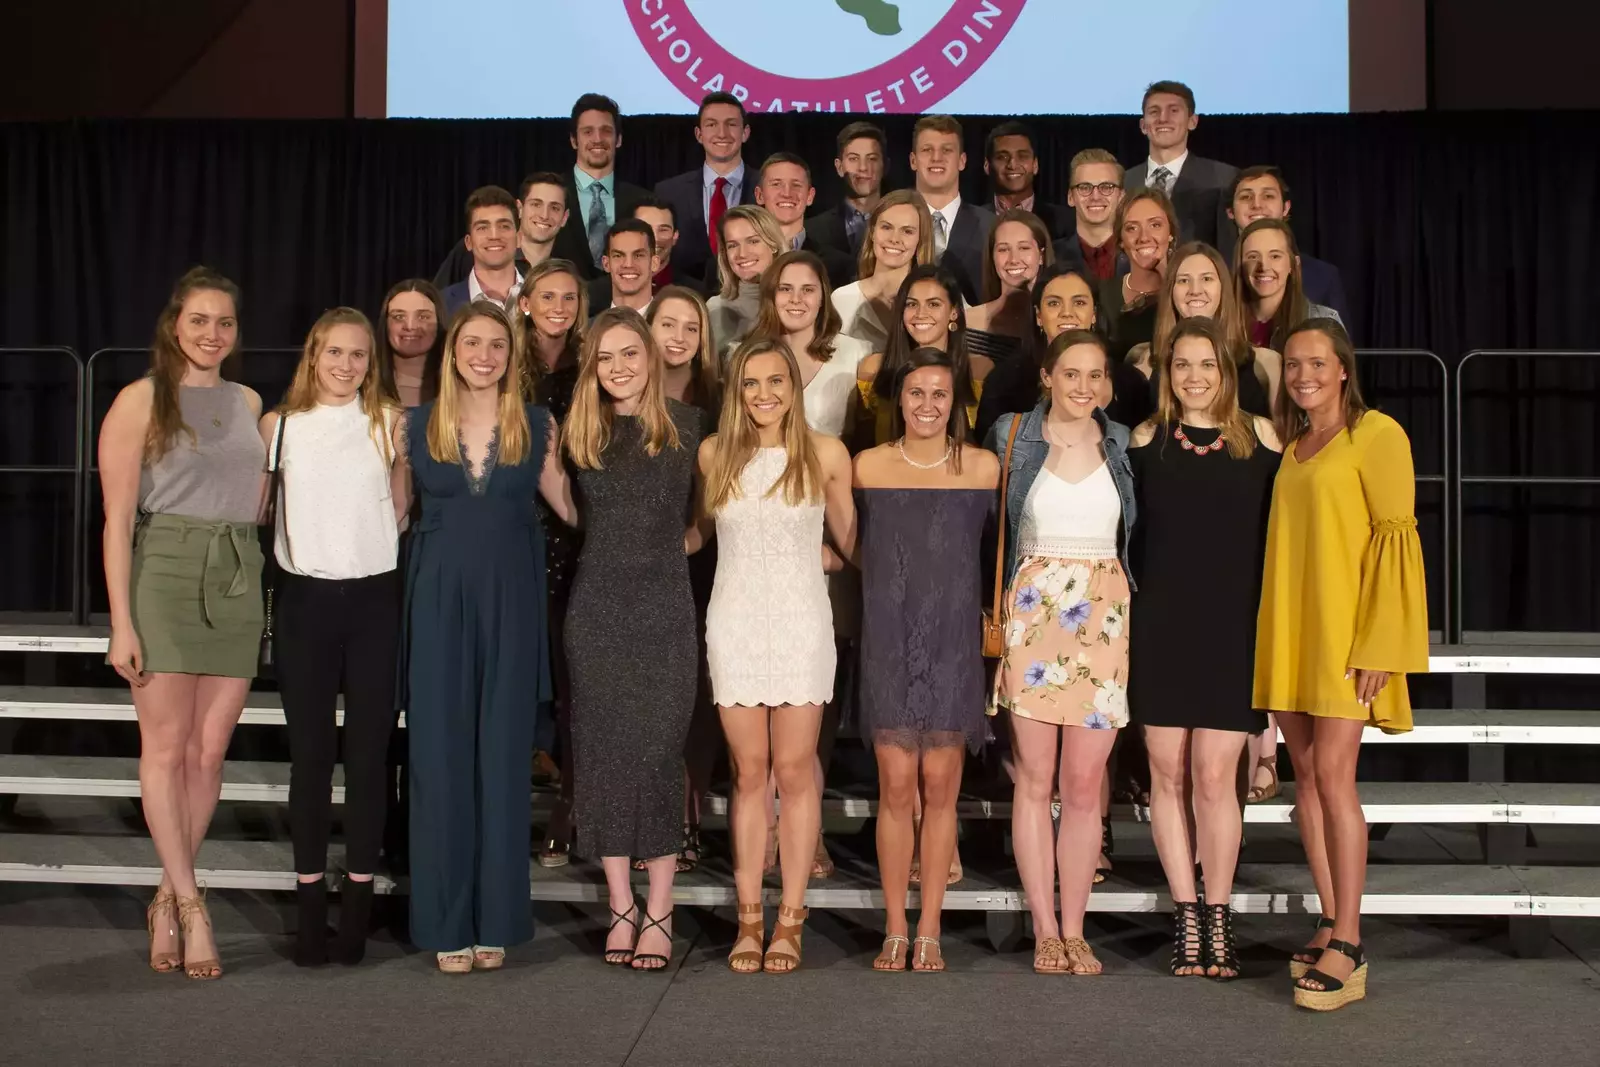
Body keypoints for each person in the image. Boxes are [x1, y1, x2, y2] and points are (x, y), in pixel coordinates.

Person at [392, 301, 578, 973]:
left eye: (497, 343)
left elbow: (571, 505)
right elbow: (387, 516)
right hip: (437, 606)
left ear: (511, 353)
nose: (485, 354)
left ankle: (496, 916)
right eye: (473, 342)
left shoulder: (535, 423)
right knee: (439, 765)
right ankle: (446, 922)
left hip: (510, 606)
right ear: (452, 350)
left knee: (501, 765)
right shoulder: (414, 426)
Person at [99, 267, 265, 980]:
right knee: (165, 749)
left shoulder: (251, 399)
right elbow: (114, 521)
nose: (211, 333)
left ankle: (167, 891)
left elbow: (257, 497)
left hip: (236, 571)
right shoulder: (139, 400)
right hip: (162, 570)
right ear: (175, 324)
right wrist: (121, 624)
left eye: (224, 322)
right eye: (200, 320)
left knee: (208, 752)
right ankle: (194, 904)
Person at [1255, 319, 1427, 1011]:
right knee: (1307, 782)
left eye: (1317, 363)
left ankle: (1350, 941)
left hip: (1346, 635)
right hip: (1294, 628)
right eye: (1293, 364)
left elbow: (1396, 540)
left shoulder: (1377, 434)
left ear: (1343, 368)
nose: (1303, 375)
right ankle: (1329, 915)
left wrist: (1381, 642)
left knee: (1335, 777)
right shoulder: (1294, 445)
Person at [1126, 316, 1282, 981]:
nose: (1194, 377)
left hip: (1231, 627)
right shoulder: (1143, 441)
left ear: (1226, 371)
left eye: (1207, 365)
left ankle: (1219, 913)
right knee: (1166, 771)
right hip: (1160, 623)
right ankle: (1185, 913)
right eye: (1182, 364)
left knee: (1216, 776)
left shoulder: (1262, 439)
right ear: (1168, 372)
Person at [699, 338, 855, 974]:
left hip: (800, 623)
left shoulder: (824, 452)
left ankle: (790, 919)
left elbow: (852, 544)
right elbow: (698, 534)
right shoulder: (715, 453)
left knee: (794, 771)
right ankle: (748, 918)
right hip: (734, 620)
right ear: (735, 390)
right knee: (747, 772)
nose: (763, 395)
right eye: (750, 384)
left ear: (795, 387)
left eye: (776, 382)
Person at [986, 329, 1137, 977]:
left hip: (1103, 619)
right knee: (1035, 780)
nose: (1083, 386)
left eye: (1095, 375)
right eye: (1070, 373)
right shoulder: (1012, 436)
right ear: (1046, 375)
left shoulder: (1125, 442)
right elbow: (988, 527)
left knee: (1082, 787)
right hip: (1032, 614)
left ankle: (1076, 929)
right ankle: (1044, 929)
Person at [561, 308, 705, 970]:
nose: (618, 367)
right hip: (597, 614)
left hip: (666, 613)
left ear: (651, 355)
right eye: (604, 357)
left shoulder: (691, 430)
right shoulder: (580, 436)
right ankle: (621, 905)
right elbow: (577, 517)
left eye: (629, 353)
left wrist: (674, 548)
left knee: (656, 755)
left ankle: (662, 906)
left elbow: (707, 519)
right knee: (604, 756)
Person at [260, 308, 404, 967]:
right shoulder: (279, 424)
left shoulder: (387, 423)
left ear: (371, 363)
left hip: (374, 598)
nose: (346, 365)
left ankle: (359, 910)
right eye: (334, 353)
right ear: (313, 355)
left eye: (358, 355)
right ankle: (311, 904)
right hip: (304, 603)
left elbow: (402, 507)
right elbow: (259, 509)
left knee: (369, 759)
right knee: (312, 758)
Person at [854, 346, 998, 972]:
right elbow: (852, 548)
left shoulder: (985, 468)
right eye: (916, 393)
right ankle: (893, 926)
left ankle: (931, 927)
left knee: (941, 789)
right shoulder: (866, 467)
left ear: (957, 401)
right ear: (898, 398)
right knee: (895, 787)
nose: (928, 405)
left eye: (941, 394)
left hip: (953, 644)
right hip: (888, 637)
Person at [514, 258, 589, 868]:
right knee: (519, 684)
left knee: (571, 688)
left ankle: (568, 809)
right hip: (514, 533)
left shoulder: (591, 365)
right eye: (548, 296)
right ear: (526, 302)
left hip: (577, 533)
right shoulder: (503, 366)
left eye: (569, 296)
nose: (559, 305)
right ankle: (508, 811)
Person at [647, 288, 722, 875]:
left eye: (689, 328)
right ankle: (643, 820)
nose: (676, 336)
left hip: (699, 562)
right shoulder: (617, 396)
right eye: (666, 324)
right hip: (628, 565)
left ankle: (688, 820)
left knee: (691, 695)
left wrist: (691, 540)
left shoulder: (717, 406)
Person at [1123, 241, 1281, 417]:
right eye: (1183, 280)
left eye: (1206, 279)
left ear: (1222, 287)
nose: (1195, 290)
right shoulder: (1143, 362)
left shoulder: (1266, 365)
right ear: (1171, 291)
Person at [857, 265, 990, 450]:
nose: (920, 314)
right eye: (912, 304)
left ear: (954, 312)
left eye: (933, 304)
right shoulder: (873, 370)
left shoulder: (980, 371)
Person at [750, 249, 870, 437]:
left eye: (807, 290)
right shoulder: (743, 355)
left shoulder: (857, 353)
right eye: (785, 289)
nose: (796, 299)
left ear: (822, 297)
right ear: (771, 295)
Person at [1225, 165, 1349, 326]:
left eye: (1268, 196)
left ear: (1286, 208)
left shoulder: (1323, 276)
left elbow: (1340, 347)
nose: (1257, 205)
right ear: (1230, 211)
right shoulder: (1214, 273)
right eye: (1246, 197)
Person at [655, 92, 757, 285]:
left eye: (731, 124)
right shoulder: (669, 192)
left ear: (745, 133)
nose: (722, 133)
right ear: (699, 134)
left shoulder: (768, 188)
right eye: (712, 124)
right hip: (684, 304)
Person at [1124, 80, 1238, 249]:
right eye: (1154, 112)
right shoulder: (1123, 182)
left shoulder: (1224, 179)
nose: (1163, 119)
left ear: (1193, 121)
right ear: (1143, 125)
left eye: (1174, 111)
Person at [830, 189, 935, 353]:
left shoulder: (938, 297)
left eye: (907, 231)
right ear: (872, 232)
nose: (894, 239)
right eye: (886, 227)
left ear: (921, 239)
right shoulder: (842, 299)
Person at [431, 172, 576, 290]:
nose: (544, 215)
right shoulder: (474, 250)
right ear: (519, 208)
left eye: (555, 208)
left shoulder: (565, 269)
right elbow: (438, 302)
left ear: (564, 217)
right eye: (536, 204)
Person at [560, 94, 651, 275]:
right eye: (588, 132)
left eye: (606, 131)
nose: (598, 139)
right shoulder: (552, 194)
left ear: (618, 140)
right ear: (573, 140)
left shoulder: (641, 200)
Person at [911, 114, 993, 305]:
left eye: (947, 150)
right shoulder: (889, 224)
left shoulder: (991, 226)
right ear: (913, 160)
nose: (936, 158)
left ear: (962, 160)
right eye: (927, 150)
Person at [1236, 218, 1345, 352]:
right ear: (1239, 265)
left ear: (1293, 265)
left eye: (1275, 256)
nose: (1264, 266)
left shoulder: (1324, 321)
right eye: (1253, 257)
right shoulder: (1222, 322)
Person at [1100, 187, 1179, 363]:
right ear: (1121, 240)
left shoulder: (1187, 293)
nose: (1144, 237)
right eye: (1132, 228)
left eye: (1155, 225)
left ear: (1171, 234)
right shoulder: (1102, 295)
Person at [965, 208, 1055, 363]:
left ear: (1041, 256)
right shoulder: (968, 322)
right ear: (992, 257)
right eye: (1003, 249)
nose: (1014, 259)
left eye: (1024, 248)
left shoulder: (1059, 319)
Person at [753, 151, 857, 284]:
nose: (786, 193)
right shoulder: (742, 259)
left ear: (810, 196)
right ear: (759, 195)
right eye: (776, 184)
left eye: (796, 185)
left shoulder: (839, 266)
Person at [706, 204, 783, 358]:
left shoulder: (793, 301)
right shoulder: (715, 309)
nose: (742, 254)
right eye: (733, 245)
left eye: (753, 241)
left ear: (773, 244)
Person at [807, 121, 888, 260]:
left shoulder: (906, 225)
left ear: (885, 166)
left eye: (872, 159)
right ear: (839, 167)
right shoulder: (813, 230)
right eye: (854, 158)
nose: (863, 167)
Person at [441, 186, 523, 315]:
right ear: (468, 242)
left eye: (504, 226)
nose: (494, 235)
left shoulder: (541, 296)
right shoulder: (442, 304)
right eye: (482, 228)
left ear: (519, 238)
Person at [984, 121, 1072, 238]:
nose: (1013, 165)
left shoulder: (1066, 222)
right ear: (987, 166)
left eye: (1022, 156)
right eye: (1002, 157)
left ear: (1035, 165)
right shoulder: (971, 223)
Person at [1053, 149, 1127, 283]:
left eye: (1106, 187)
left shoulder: (1137, 255)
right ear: (1070, 197)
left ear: (1121, 196)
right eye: (1085, 187)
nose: (1095, 196)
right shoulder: (1051, 257)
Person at [375, 279, 447, 408]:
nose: (410, 326)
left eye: (423, 317)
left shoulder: (458, 388)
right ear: (385, 324)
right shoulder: (364, 385)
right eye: (399, 317)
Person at [585, 219, 659, 316]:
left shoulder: (671, 328)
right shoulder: (588, 329)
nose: (628, 264)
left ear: (654, 263)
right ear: (606, 264)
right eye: (618, 256)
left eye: (638, 255)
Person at [634, 196, 705, 296]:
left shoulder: (697, 293)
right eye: (645, 228)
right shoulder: (606, 290)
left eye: (663, 230)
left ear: (675, 236)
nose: (655, 239)